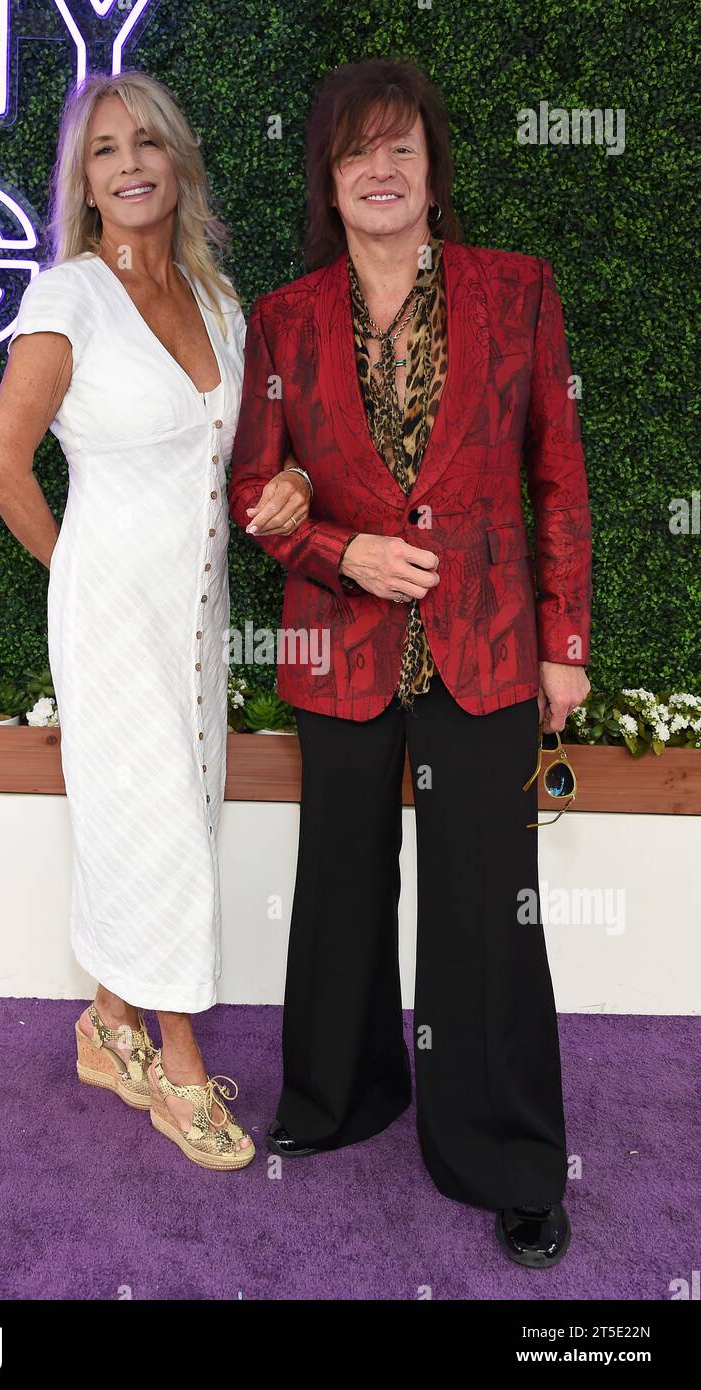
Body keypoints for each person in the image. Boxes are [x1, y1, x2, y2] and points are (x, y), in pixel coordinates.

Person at [228, 57, 592, 1263]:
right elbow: (252, 493)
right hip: (340, 645)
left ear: (432, 173)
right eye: (353, 153)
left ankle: (509, 1156)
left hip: (487, 643)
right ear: (327, 183)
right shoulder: (281, 318)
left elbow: (556, 476)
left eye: (400, 150)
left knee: (491, 903)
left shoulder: (519, 292)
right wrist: (339, 550)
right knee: (338, 883)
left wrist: (566, 644)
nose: (379, 172)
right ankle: (339, 1097)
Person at [0, 70, 308, 1171]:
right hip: (112, 611)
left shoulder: (219, 304)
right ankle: (174, 1062)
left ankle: (105, 1020)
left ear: (177, 162)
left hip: (198, 613)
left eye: (146, 143)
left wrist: (289, 490)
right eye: (104, 149)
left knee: (176, 809)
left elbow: (243, 465)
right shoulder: (69, 297)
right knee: (159, 818)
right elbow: (3, 466)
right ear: (83, 180)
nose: (128, 164)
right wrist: (81, 576)